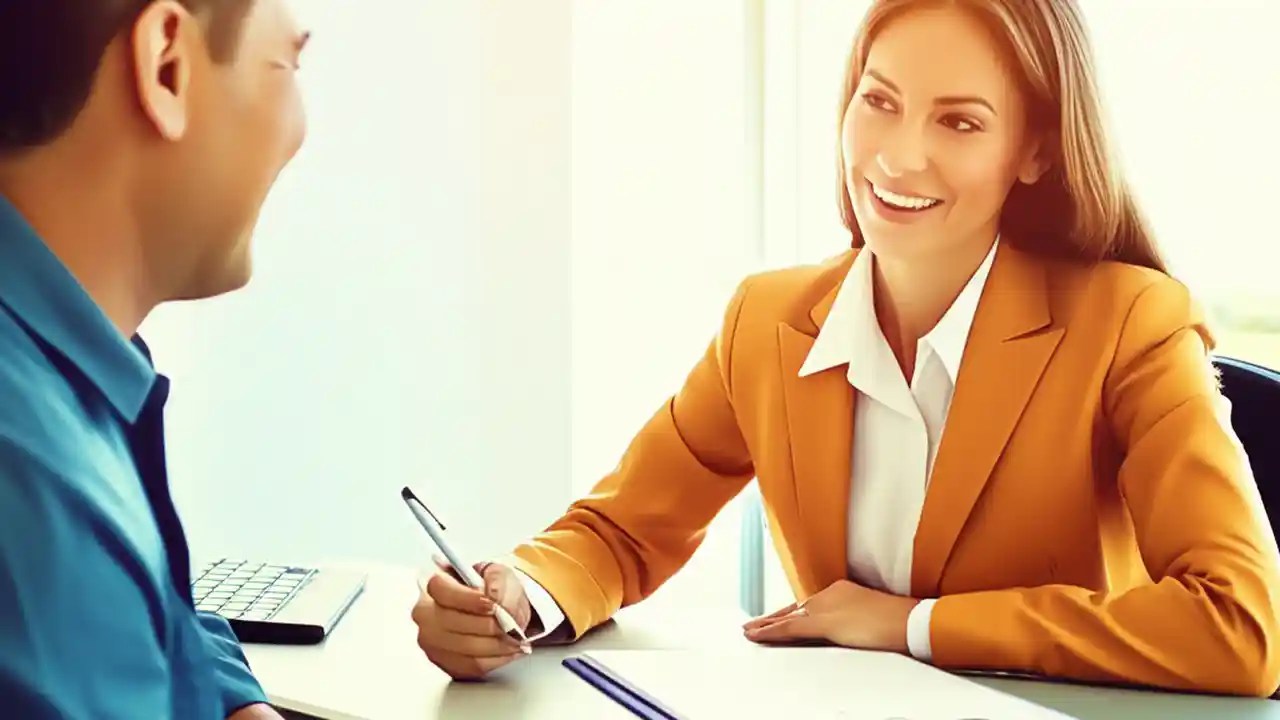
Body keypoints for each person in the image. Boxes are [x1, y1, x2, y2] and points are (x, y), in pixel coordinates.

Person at [411, 0, 1280, 698]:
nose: (899, 158)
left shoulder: (1130, 324)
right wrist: (520, 597)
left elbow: (1242, 628)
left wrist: (908, 623)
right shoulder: (769, 319)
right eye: (881, 101)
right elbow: (624, 531)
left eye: (961, 123)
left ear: (1036, 150)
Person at [0, 1, 308, 717]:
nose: (300, 131)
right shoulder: (45, 504)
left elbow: (164, 612)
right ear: (166, 64)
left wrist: (230, 703)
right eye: (287, 66)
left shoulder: (69, 371)